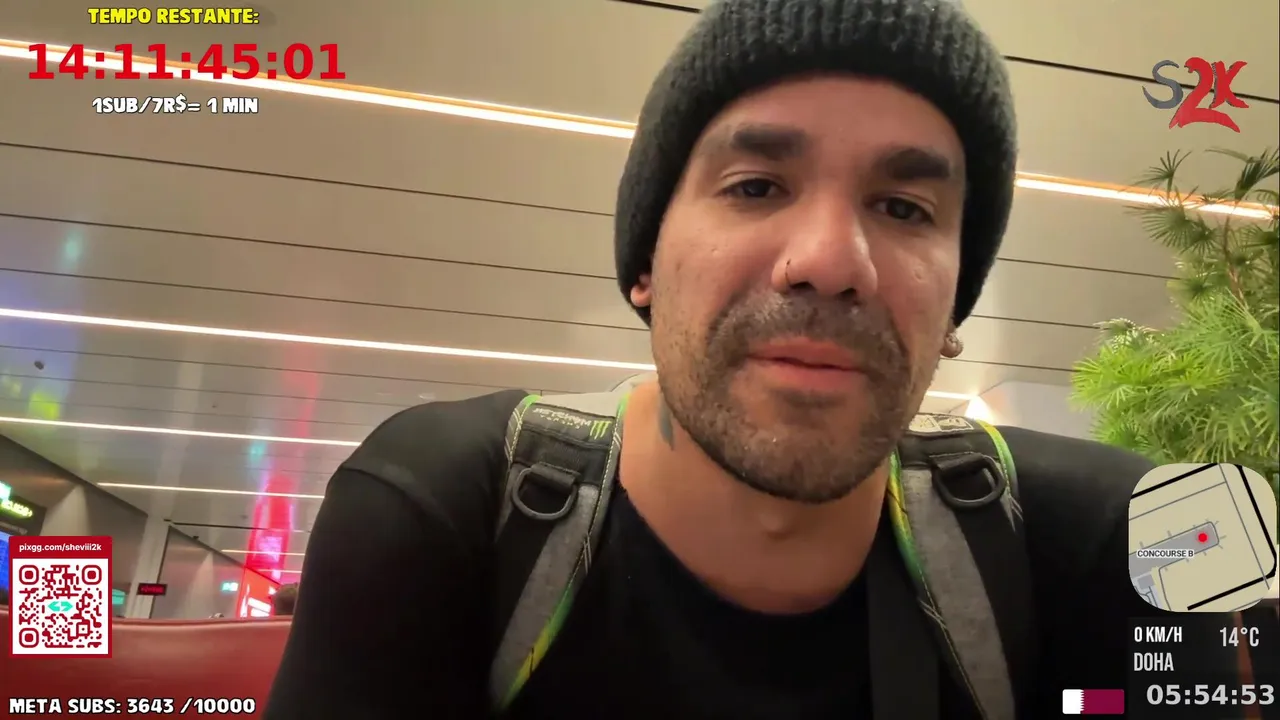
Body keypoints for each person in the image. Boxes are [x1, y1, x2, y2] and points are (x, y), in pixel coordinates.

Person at [265, 0, 1238, 717]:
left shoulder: (1125, 540)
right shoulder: (442, 514)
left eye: (904, 208)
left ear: (955, 306)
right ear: (644, 265)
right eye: (755, 186)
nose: (828, 262)